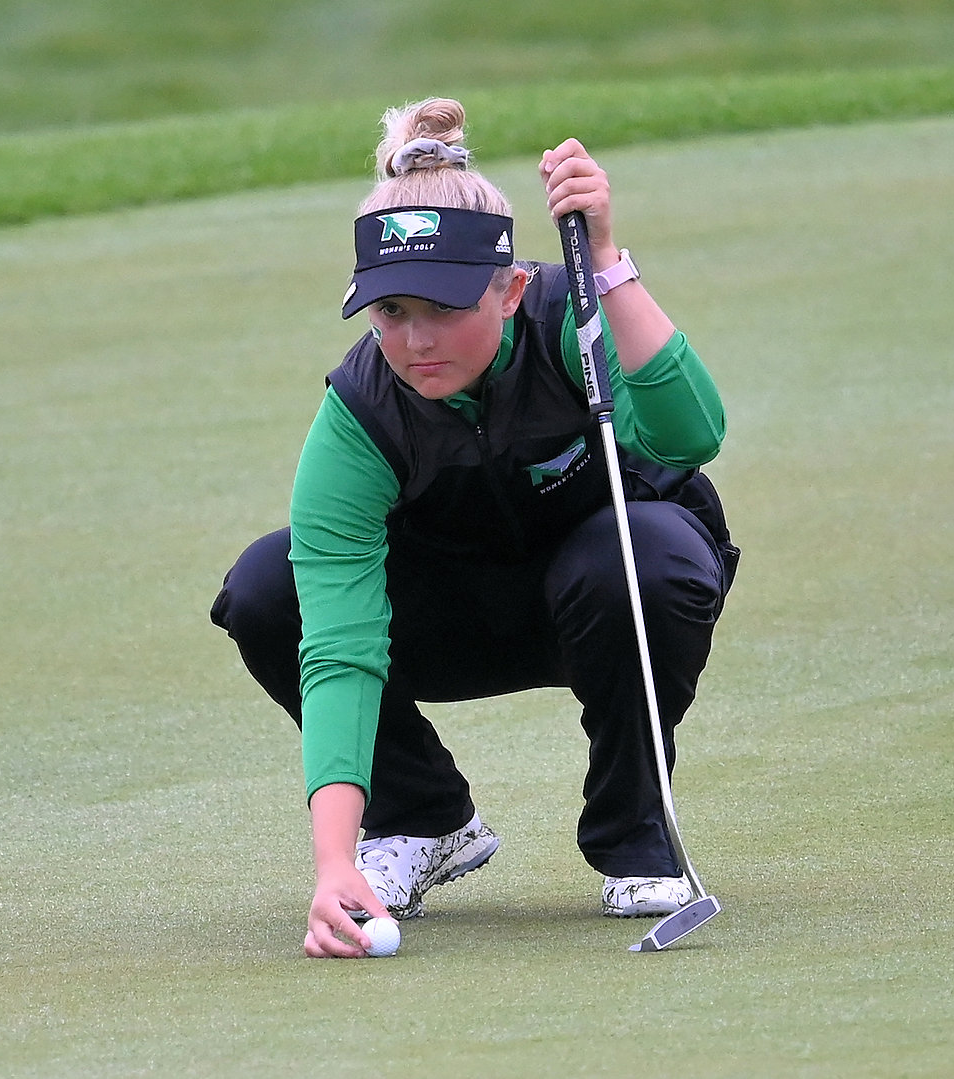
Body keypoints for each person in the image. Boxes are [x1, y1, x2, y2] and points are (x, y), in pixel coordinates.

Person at [209, 97, 738, 958]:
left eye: (444, 309)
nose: (415, 341)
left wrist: (606, 262)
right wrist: (332, 860)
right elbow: (339, 647)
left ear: (511, 286)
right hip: (446, 621)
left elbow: (690, 436)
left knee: (646, 554)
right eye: (389, 313)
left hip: (605, 607)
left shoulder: (575, 314)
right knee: (270, 586)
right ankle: (419, 820)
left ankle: (635, 831)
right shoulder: (359, 416)